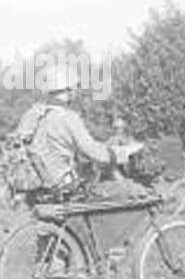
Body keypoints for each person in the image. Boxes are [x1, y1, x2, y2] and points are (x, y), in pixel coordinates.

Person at [11, 67, 144, 202]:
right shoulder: (68, 118)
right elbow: (94, 152)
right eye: (74, 88)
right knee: (135, 192)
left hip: (39, 188)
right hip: (65, 187)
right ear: (68, 90)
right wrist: (126, 152)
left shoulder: (31, 115)